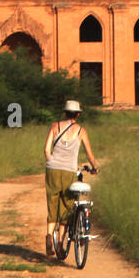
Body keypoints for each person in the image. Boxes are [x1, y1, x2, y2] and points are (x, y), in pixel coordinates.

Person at [44, 100, 98, 257]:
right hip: (69, 171)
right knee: (67, 206)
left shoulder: (55, 126)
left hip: (52, 170)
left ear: (64, 113)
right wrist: (95, 167)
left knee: (52, 202)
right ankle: (60, 243)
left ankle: (48, 236)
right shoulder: (81, 131)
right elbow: (90, 155)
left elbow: (46, 150)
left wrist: (52, 162)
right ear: (78, 114)